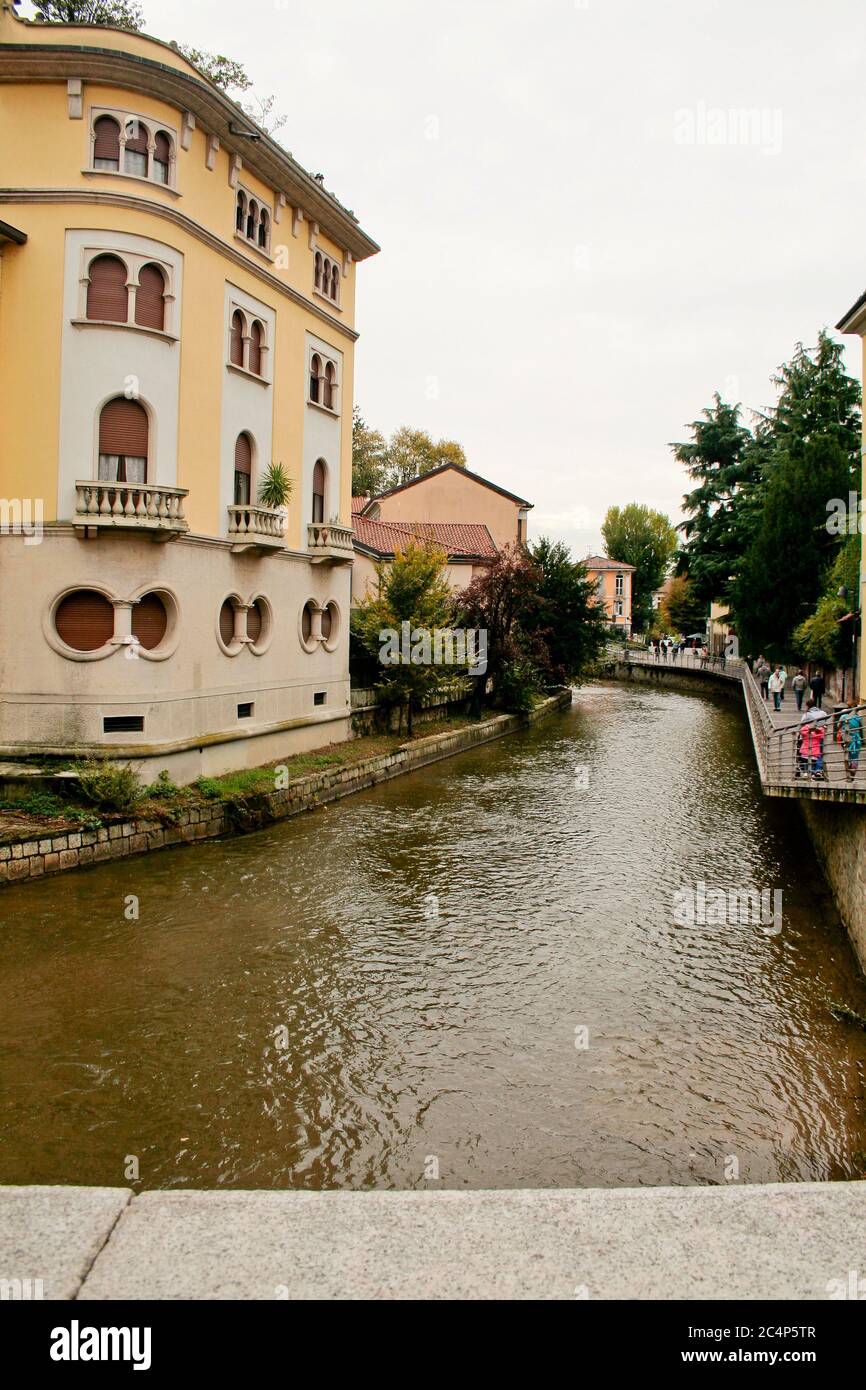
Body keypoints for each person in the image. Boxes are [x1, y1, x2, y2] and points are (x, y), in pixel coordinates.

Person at [841, 702, 862, 782]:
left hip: (846, 738)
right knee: (855, 757)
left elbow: (838, 725)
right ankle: (852, 774)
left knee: (847, 756)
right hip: (856, 739)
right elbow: (860, 729)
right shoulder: (858, 717)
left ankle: (848, 776)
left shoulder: (843, 716)